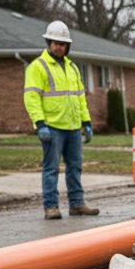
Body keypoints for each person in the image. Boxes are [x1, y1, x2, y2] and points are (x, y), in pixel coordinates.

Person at [22, 21, 98, 220]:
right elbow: (31, 98)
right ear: (48, 43)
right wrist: (40, 124)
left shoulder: (73, 68)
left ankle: (77, 204)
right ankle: (51, 206)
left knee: (75, 167)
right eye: (55, 43)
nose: (58, 47)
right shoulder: (37, 67)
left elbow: (80, 98)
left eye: (62, 44)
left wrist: (86, 122)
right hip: (52, 127)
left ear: (67, 46)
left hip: (73, 127)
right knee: (51, 169)